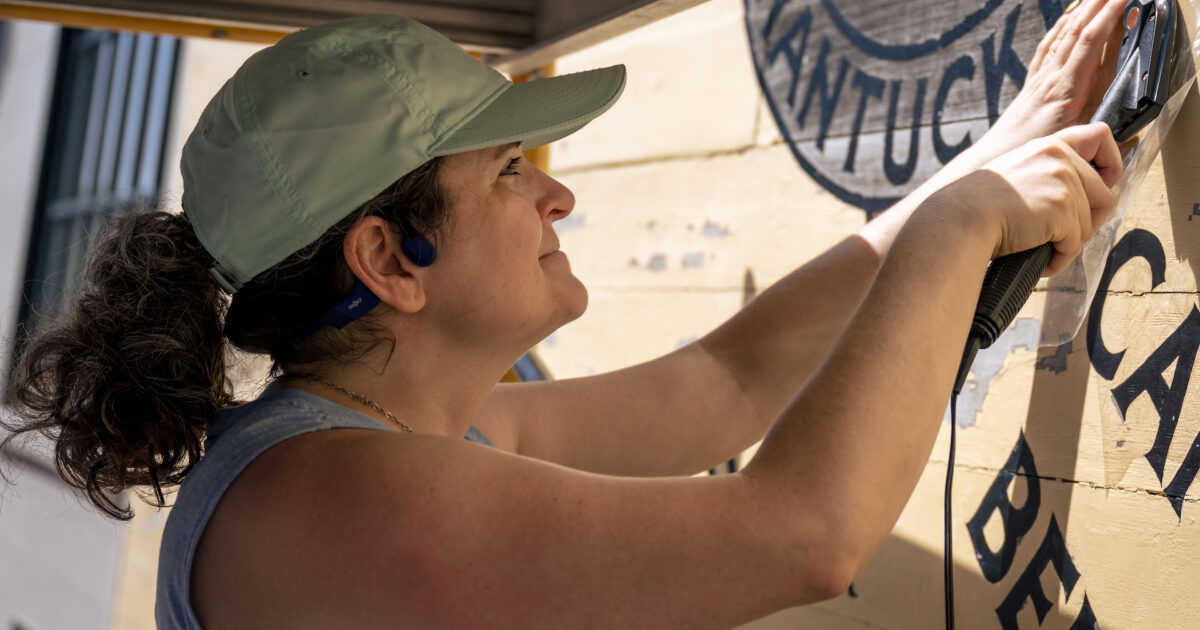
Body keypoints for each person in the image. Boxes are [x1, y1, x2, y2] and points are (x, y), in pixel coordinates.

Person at [3, 1, 1126, 628]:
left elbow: (725, 383)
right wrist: (958, 229)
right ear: (389, 257)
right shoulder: (322, 500)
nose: (558, 193)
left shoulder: (406, 435)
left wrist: (987, 155)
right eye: (505, 173)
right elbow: (805, 536)